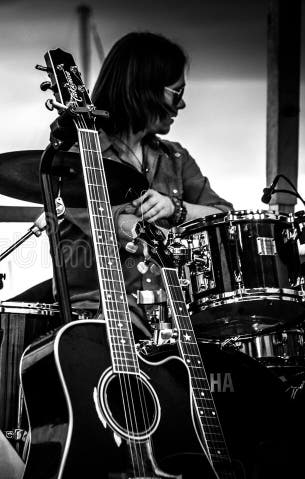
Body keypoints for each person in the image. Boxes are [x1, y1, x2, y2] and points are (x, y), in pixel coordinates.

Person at [59, 31, 233, 337]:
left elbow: (223, 216)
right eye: (176, 93)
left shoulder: (176, 157)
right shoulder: (82, 156)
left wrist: (175, 208)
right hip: (97, 318)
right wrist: (158, 231)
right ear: (145, 89)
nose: (182, 105)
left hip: (173, 315)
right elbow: (114, 224)